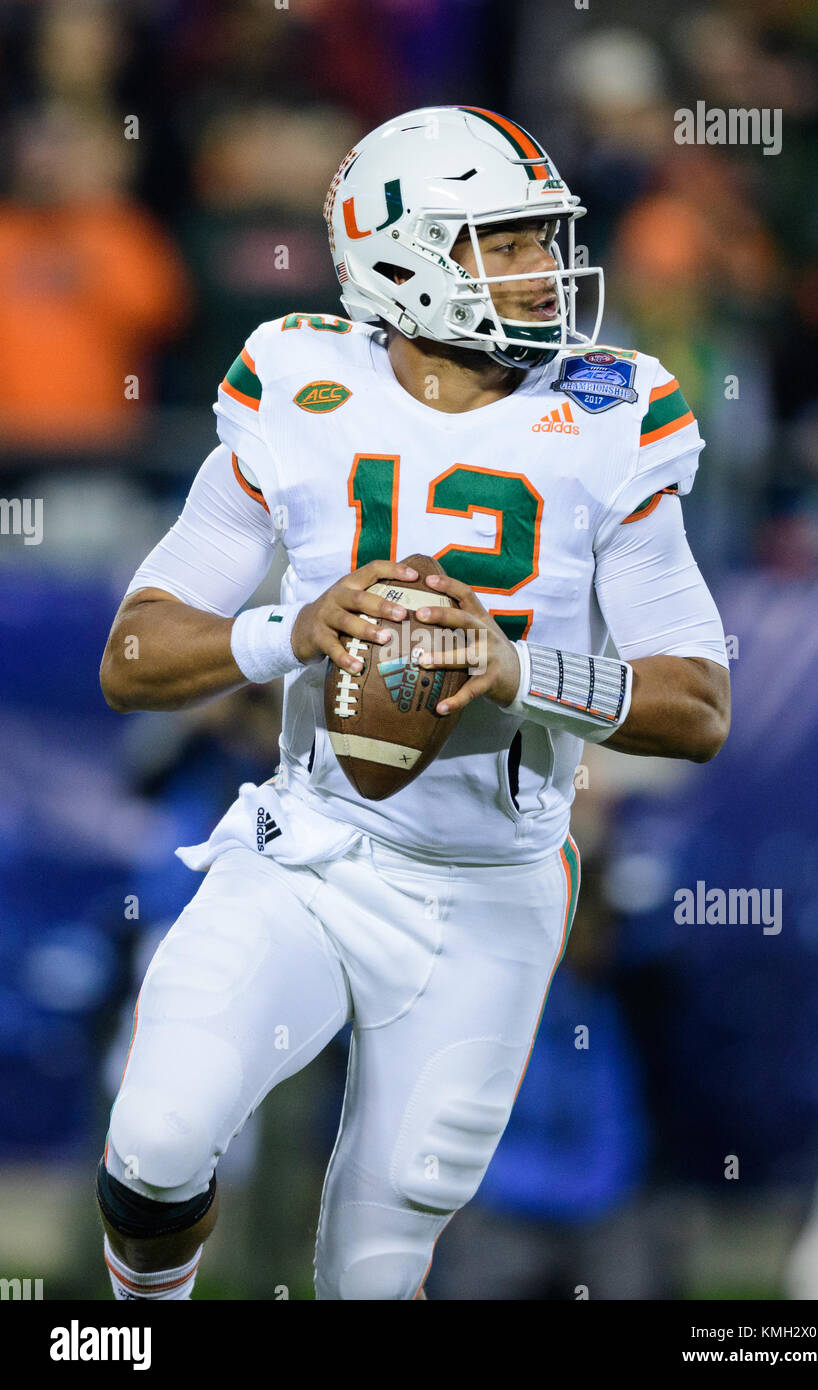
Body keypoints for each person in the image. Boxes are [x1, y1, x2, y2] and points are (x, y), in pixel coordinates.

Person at [95, 105, 730, 1301]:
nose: (544, 266)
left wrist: (516, 669)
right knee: (158, 1140)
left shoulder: (612, 410)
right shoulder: (300, 379)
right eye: (506, 241)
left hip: (494, 889)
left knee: (373, 1272)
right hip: (311, 846)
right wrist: (291, 627)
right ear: (400, 261)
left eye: (544, 236)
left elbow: (698, 705)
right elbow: (133, 656)